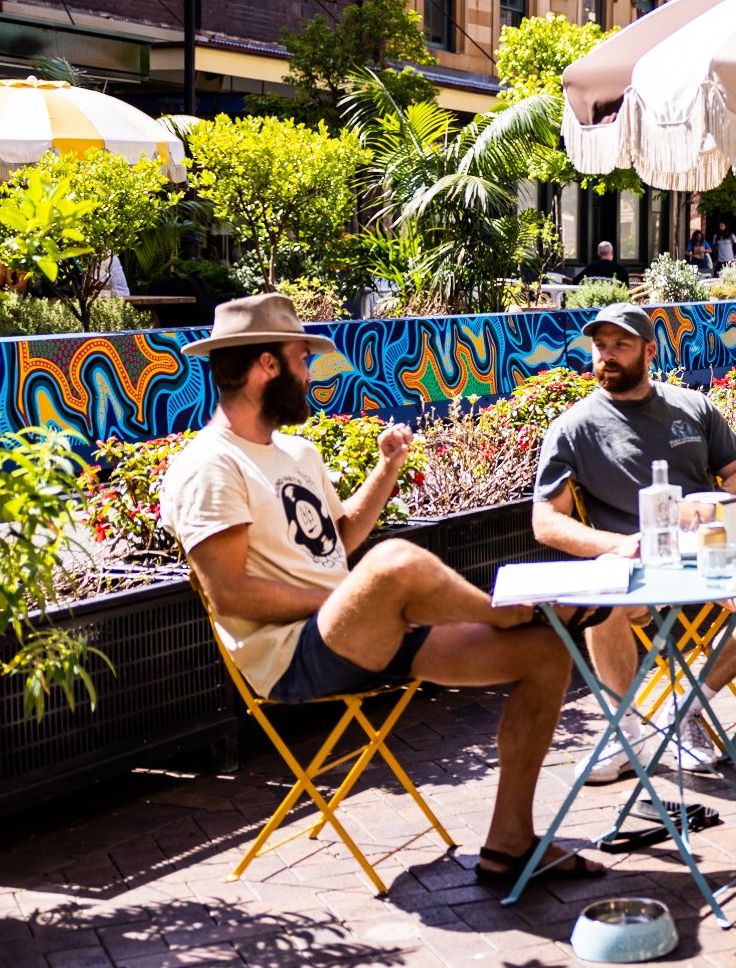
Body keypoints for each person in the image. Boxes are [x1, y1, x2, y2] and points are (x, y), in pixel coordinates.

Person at [160, 296, 599, 886]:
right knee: (394, 564)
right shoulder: (210, 465)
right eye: (300, 358)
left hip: (361, 635)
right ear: (266, 365)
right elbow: (231, 594)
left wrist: (386, 469)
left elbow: (338, 541)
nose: (310, 371)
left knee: (546, 659)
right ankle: (515, 610)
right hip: (292, 657)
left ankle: (510, 844)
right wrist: (352, 600)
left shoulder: (297, 451)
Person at [530, 301, 736, 778]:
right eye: (600, 346)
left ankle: (685, 710)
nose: (606, 356)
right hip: (634, 560)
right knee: (601, 594)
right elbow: (546, 522)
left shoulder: (691, 406)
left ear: (649, 350)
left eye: (620, 345)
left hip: (708, 547)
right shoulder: (572, 427)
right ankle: (623, 731)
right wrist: (613, 545)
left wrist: (714, 501)